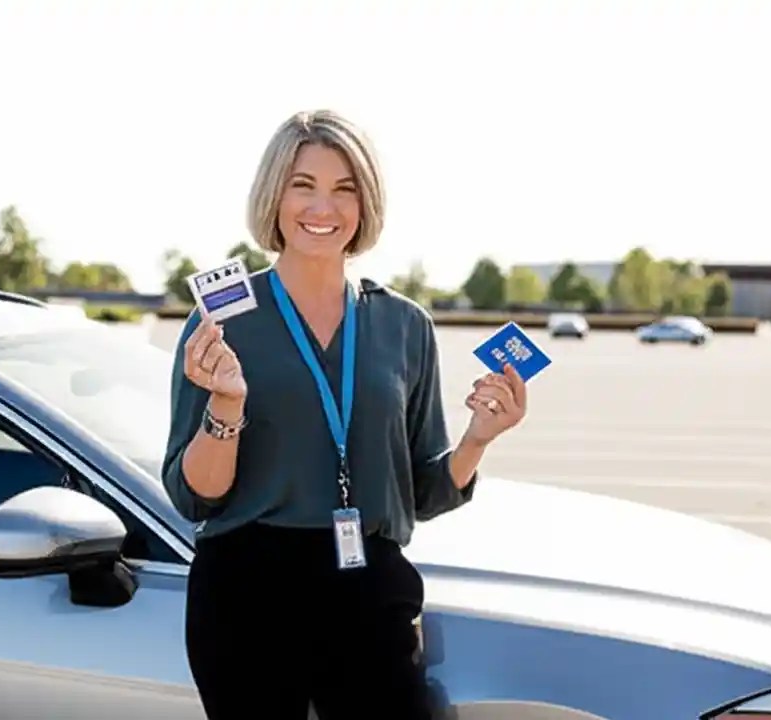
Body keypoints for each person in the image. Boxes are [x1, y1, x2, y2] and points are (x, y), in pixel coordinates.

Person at [161, 109, 528, 720]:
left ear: (366, 204)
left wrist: (477, 441)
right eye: (302, 185)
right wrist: (226, 405)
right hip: (250, 593)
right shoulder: (224, 321)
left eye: (344, 189)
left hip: (368, 587)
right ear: (274, 196)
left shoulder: (404, 325)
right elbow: (196, 497)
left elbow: (425, 492)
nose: (321, 208)